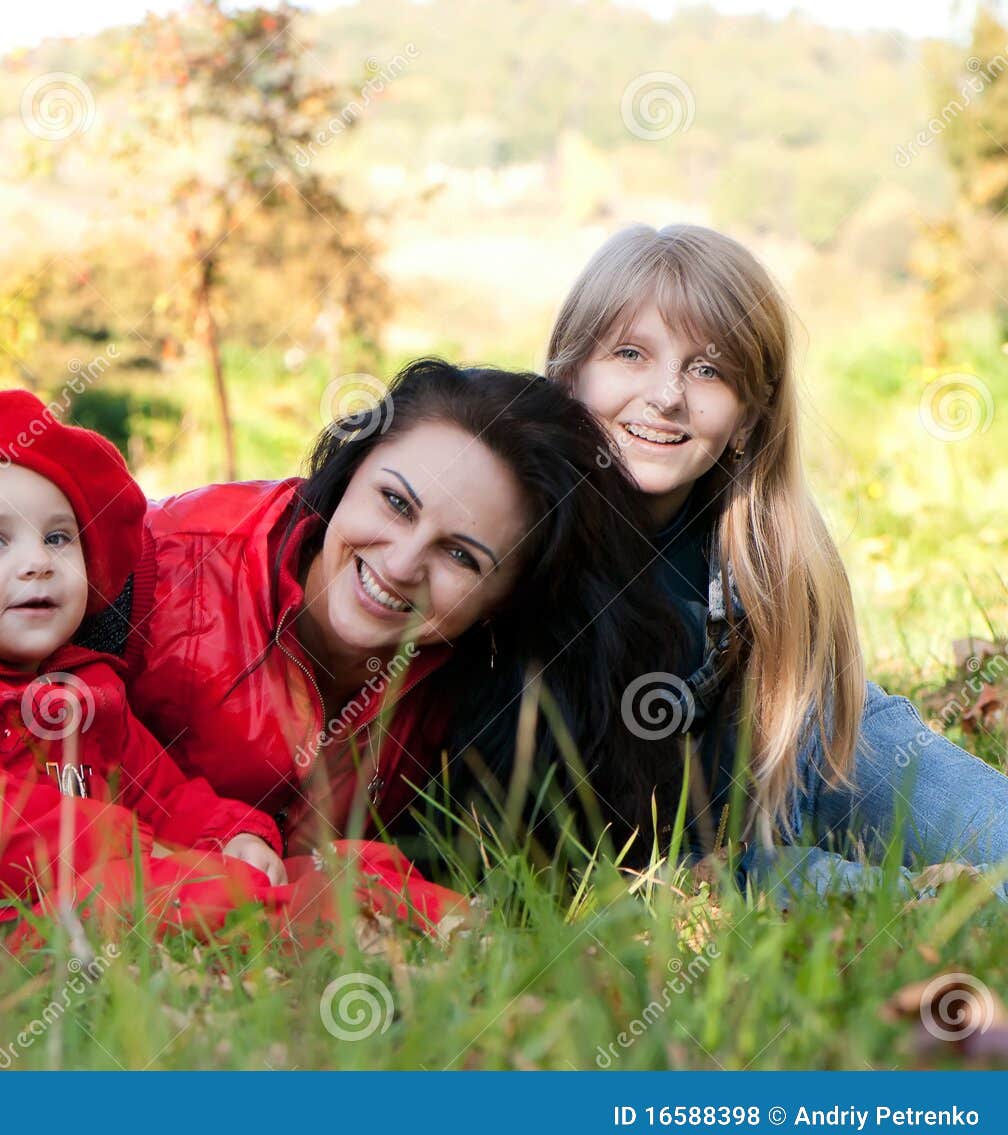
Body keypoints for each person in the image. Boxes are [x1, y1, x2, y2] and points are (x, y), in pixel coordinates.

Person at [0, 389, 470, 946]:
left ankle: (448, 919)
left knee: (344, 861)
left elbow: (160, 793)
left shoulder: (87, 690)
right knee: (185, 900)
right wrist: (159, 860)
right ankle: (320, 929)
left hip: (115, 882)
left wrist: (231, 834)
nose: (37, 562)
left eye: (58, 538)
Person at [545, 223, 1008, 891]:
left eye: (706, 369)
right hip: (706, 848)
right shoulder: (522, 541)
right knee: (874, 891)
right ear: (569, 375)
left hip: (813, 750)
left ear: (748, 417)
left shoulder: (764, 543)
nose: (668, 394)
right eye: (629, 353)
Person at [120, 360, 689, 865]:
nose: (401, 563)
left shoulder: (489, 693)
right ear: (350, 471)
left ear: (504, 603)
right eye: (395, 503)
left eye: (461, 555)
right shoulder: (144, 569)